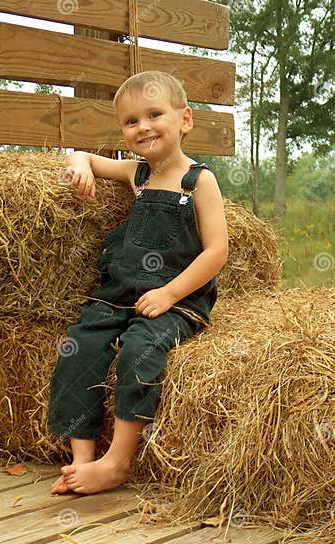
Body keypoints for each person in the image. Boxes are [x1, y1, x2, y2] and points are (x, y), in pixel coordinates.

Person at [48, 70, 228, 495]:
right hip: (121, 294)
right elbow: (85, 157)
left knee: (138, 350)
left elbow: (216, 251)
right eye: (131, 122)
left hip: (176, 297)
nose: (142, 126)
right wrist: (78, 165)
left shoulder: (200, 181)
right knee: (80, 346)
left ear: (185, 120)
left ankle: (118, 461)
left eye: (154, 114)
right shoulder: (138, 174)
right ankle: (82, 458)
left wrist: (169, 293)